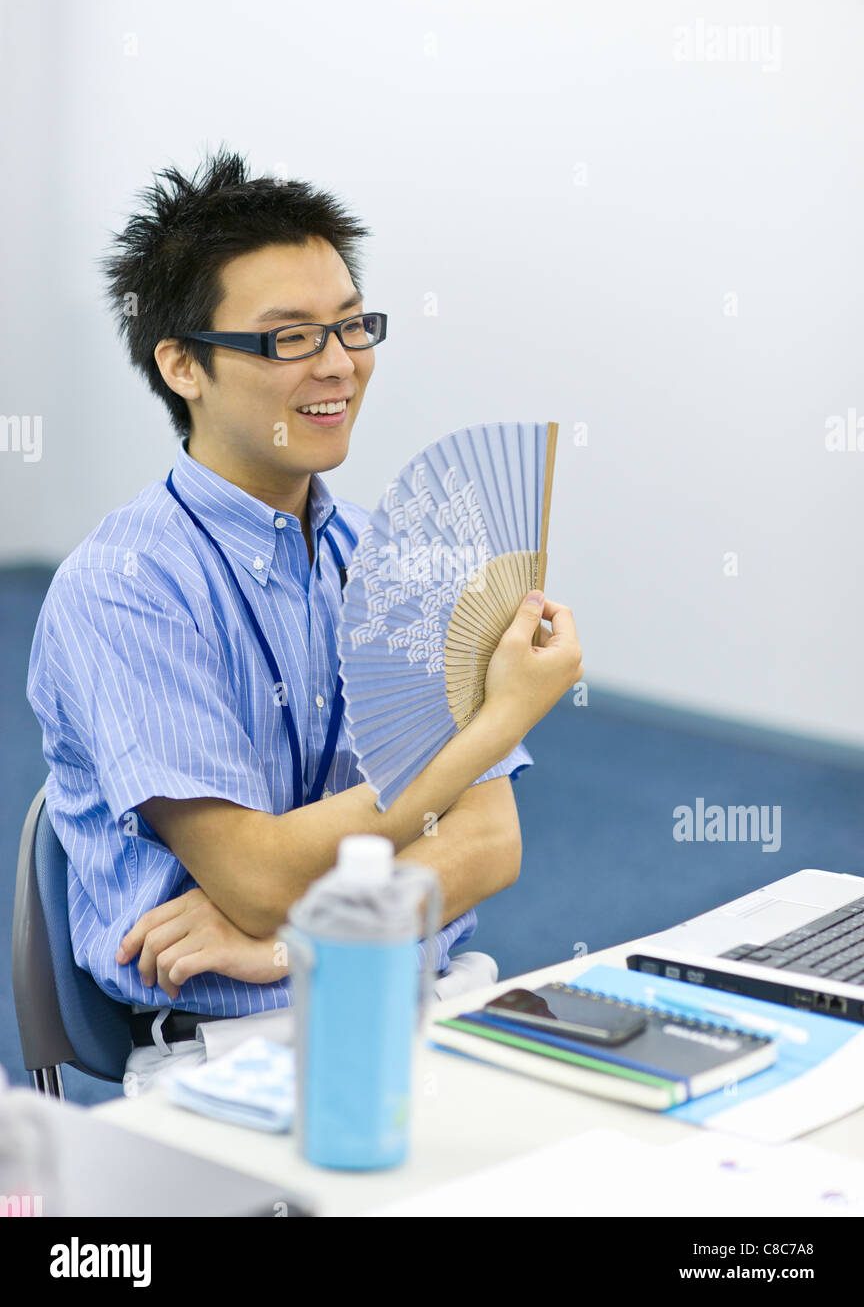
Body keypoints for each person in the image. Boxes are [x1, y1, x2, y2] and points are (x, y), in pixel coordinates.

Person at [26, 149, 583, 1094]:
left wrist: (290, 943)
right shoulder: (122, 587)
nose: (338, 365)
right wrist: (500, 718)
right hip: (233, 1055)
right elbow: (257, 877)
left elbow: (489, 846)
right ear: (182, 364)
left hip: (428, 1002)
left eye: (352, 325)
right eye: (289, 338)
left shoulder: (398, 557)